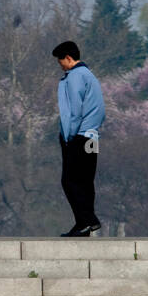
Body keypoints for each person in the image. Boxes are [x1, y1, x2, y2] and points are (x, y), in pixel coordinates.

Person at [52, 40, 104, 236]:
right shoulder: (90, 76)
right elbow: (100, 110)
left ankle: (88, 219)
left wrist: (69, 136)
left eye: (60, 62)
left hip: (79, 137)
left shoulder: (75, 76)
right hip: (92, 137)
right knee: (85, 181)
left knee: (69, 180)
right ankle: (83, 225)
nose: (61, 66)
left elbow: (74, 111)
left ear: (68, 58)